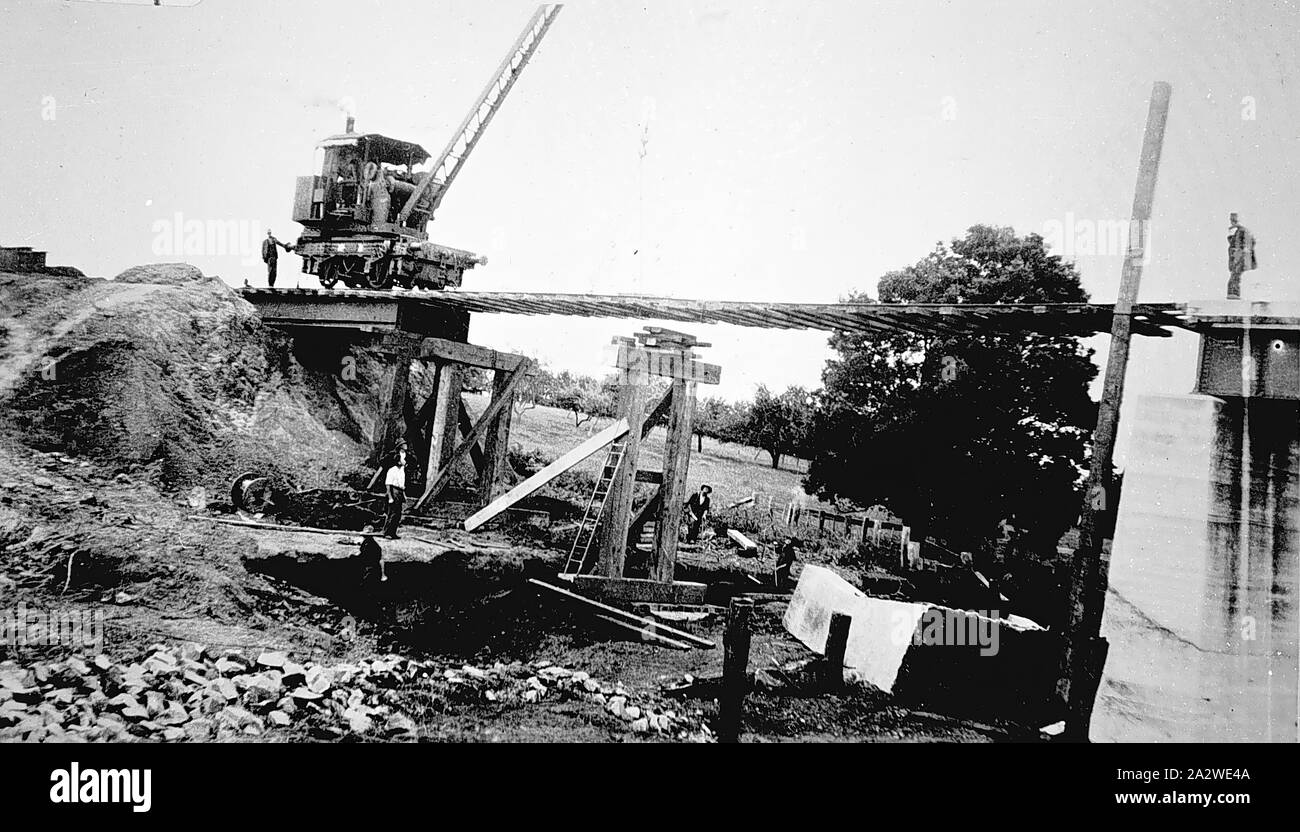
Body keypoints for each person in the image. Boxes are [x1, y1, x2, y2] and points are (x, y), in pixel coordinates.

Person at [1226, 212, 1257, 300]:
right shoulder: (1238, 230)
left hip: (1239, 256)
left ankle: (1233, 293)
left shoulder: (1242, 230)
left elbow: (1250, 242)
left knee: (1236, 274)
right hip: (1237, 256)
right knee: (1236, 274)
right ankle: (1233, 293)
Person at [383, 443, 407, 539]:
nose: (403, 461)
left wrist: (404, 495)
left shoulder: (402, 471)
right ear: (397, 461)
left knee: (398, 514)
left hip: (400, 491)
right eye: (401, 460)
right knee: (392, 513)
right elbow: (388, 484)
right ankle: (387, 533)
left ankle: (393, 533)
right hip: (393, 491)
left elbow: (402, 485)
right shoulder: (392, 470)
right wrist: (390, 498)